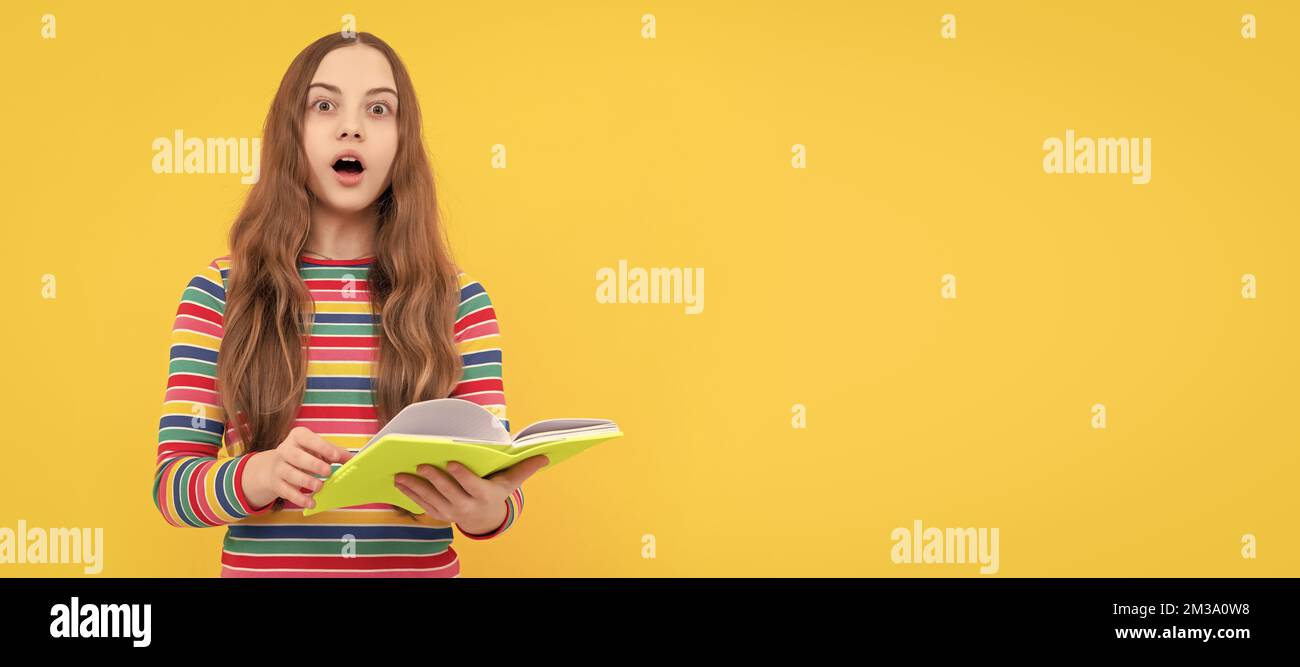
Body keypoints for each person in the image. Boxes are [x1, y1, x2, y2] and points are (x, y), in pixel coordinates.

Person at [151, 31, 547, 577]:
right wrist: (261, 474)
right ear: (291, 133)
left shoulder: (460, 302)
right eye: (324, 104)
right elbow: (173, 487)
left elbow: (499, 482)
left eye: (379, 108)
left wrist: (487, 509)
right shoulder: (220, 292)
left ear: (402, 141)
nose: (352, 125)